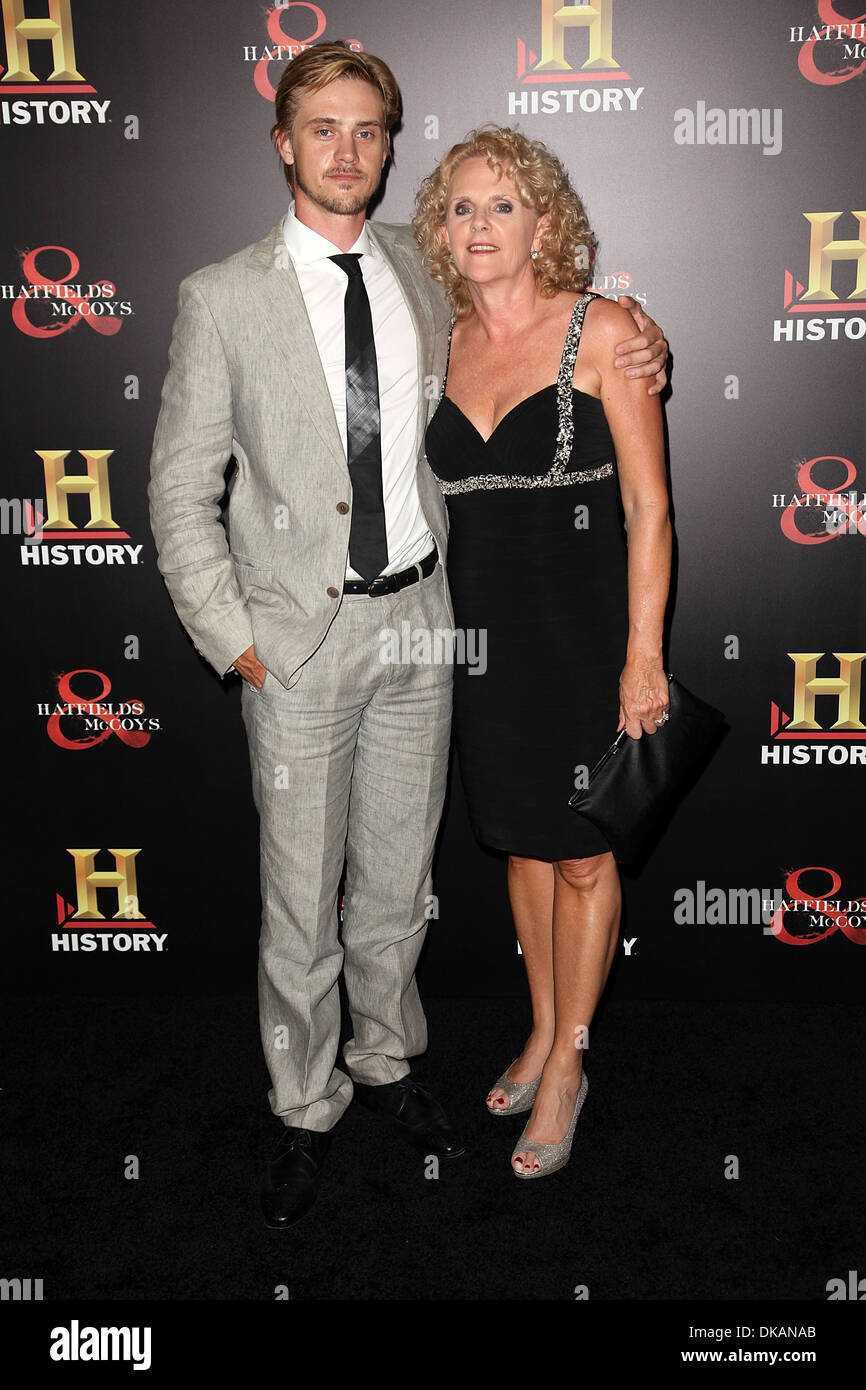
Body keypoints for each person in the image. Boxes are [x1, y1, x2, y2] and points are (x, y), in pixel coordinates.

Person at [148, 44, 668, 1227]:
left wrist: (647, 340)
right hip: (299, 641)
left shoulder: (424, 274)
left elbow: (554, 333)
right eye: (320, 129)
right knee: (299, 896)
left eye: (368, 130)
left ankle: (383, 1061)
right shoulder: (220, 296)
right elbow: (179, 492)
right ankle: (302, 1100)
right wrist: (235, 638)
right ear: (283, 143)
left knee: (398, 885)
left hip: (432, 629)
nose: (346, 150)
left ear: (389, 147)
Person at [416, 127, 673, 1179]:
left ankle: (569, 1061)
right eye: (462, 207)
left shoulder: (605, 329)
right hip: (476, 641)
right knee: (521, 845)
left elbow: (650, 509)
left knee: (581, 855)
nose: (480, 224)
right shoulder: (433, 341)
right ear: (441, 229)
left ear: (543, 224)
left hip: (580, 633)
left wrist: (641, 656)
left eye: (502, 205)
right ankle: (538, 1024)